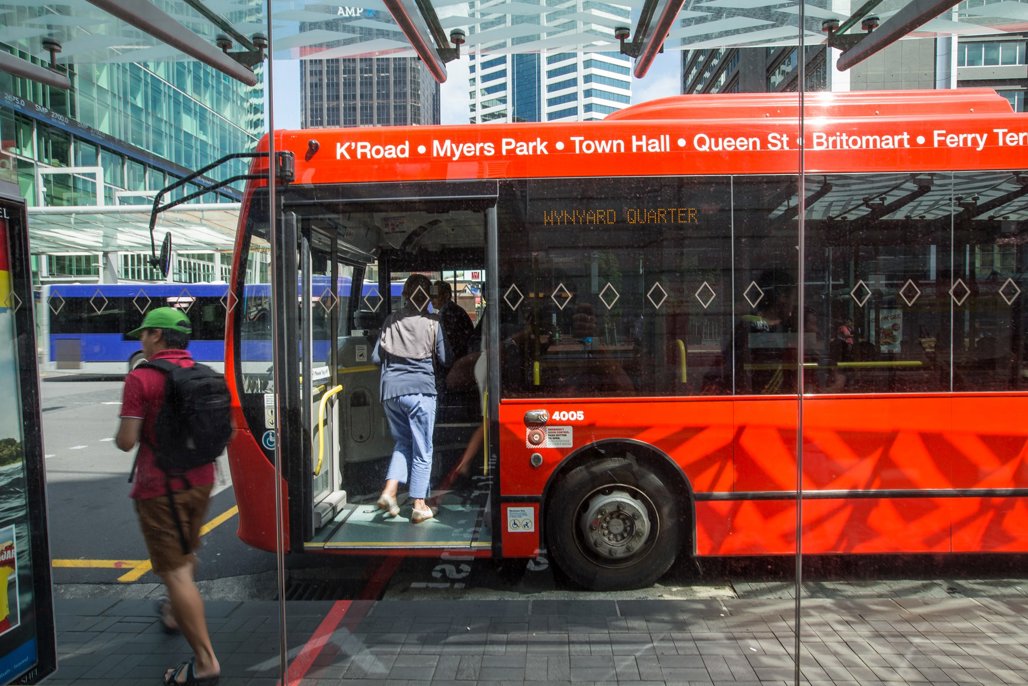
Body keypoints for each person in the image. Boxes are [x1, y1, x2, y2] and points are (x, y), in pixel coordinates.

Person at [115, 307, 220, 686]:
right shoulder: (202, 373)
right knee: (186, 553)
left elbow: (126, 441)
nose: (140, 340)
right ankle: (176, 614)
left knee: (175, 572)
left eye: (144, 334)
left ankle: (205, 661)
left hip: (160, 488)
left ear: (158, 336)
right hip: (202, 480)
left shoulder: (142, 378)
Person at [373, 274, 452, 523]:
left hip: (390, 393)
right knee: (423, 448)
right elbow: (445, 358)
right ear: (427, 296)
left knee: (402, 443)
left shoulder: (390, 320)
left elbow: (376, 358)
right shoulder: (433, 322)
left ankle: (390, 491)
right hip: (420, 392)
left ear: (405, 294)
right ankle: (419, 504)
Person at [432, 280, 474, 360]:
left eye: (436, 296)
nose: (432, 299)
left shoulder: (448, 313)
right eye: (431, 296)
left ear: (446, 295)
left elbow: (449, 343)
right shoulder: (452, 310)